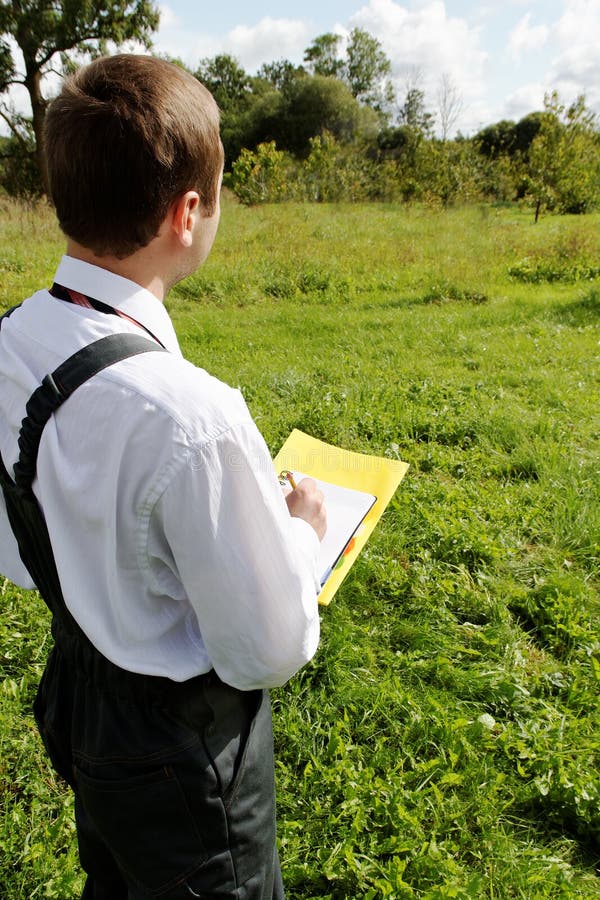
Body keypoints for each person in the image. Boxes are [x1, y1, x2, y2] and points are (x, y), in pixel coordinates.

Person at [0, 54, 326, 899]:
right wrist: (299, 534)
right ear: (187, 213)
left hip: (82, 706)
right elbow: (267, 647)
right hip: (184, 760)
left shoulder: (10, 342)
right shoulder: (191, 417)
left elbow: (19, 548)